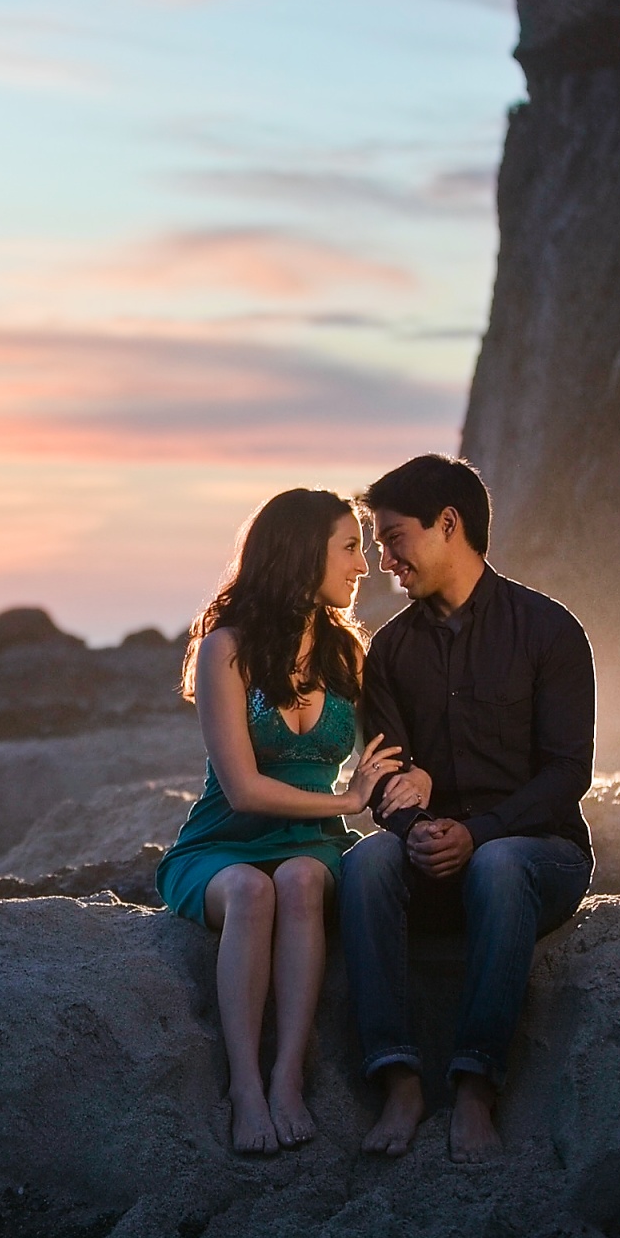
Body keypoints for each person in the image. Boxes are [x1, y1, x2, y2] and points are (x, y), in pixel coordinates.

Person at [342, 454, 595, 1164]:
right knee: (364, 866)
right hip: (429, 859)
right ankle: (398, 1080)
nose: (383, 559)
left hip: (537, 856)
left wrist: (476, 833)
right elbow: (387, 778)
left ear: (447, 524)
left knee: (501, 864)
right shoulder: (389, 654)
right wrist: (416, 830)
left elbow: (568, 773)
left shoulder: (550, 631)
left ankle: (477, 1087)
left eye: (393, 538)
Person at [156, 489, 404, 1155]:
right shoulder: (225, 651)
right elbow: (241, 790)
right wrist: (348, 805)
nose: (363, 566)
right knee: (249, 890)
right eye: (349, 547)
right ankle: (244, 1085)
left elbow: (387, 755)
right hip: (219, 846)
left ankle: (289, 1076)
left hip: (309, 847)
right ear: (301, 554)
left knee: (296, 881)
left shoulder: (349, 655)